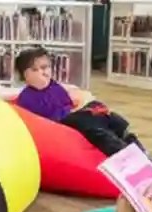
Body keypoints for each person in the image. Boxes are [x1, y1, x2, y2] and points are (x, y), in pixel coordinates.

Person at [13, 47, 143, 156]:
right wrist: (72, 111)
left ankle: (134, 145)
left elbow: (67, 101)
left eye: (45, 67)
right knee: (91, 126)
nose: (43, 72)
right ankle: (121, 151)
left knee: (103, 112)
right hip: (60, 123)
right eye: (35, 70)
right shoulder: (27, 96)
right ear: (25, 76)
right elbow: (39, 121)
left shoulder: (54, 86)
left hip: (73, 115)